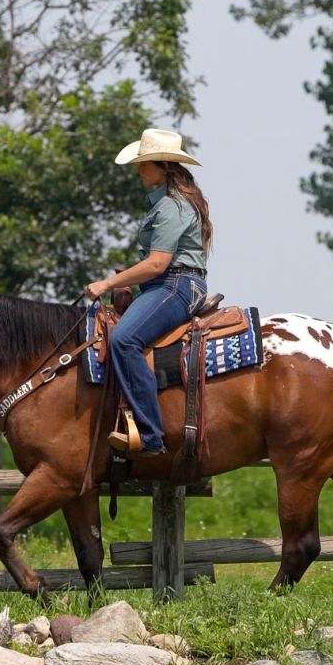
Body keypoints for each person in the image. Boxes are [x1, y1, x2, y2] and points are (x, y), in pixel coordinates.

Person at [84, 128, 213, 456]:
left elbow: (157, 264)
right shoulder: (170, 204)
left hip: (176, 286)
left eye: (144, 165)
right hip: (169, 284)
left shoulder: (172, 207)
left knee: (124, 340)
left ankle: (149, 434)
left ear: (163, 167)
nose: (138, 171)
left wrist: (108, 284)